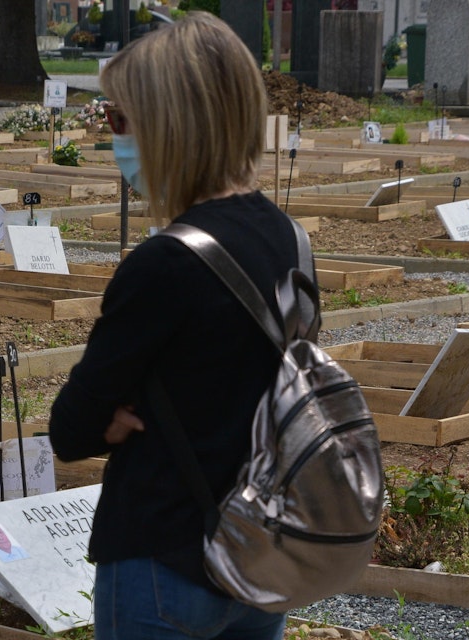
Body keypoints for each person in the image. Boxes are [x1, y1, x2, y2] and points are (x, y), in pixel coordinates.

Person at [49, 13, 304, 640]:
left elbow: (72, 426)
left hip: (163, 557)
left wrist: (106, 419)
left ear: (169, 126)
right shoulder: (287, 237)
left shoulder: (166, 262)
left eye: (117, 119)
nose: (113, 138)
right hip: (258, 555)